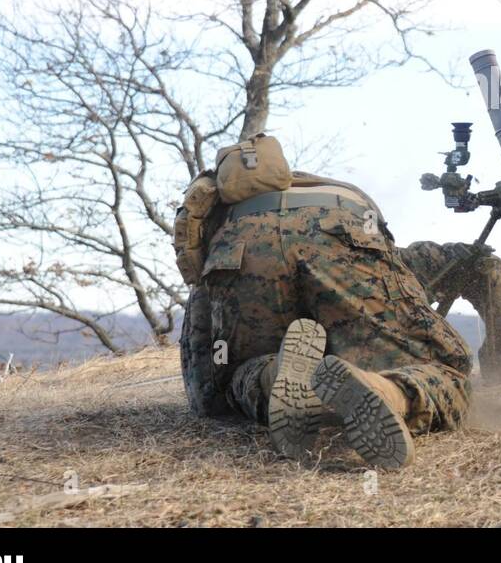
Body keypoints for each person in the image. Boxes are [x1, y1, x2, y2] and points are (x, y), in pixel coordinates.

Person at [188, 165, 473, 470]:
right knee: (447, 370)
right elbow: (489, 271)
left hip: (238, 247)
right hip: (341, 228)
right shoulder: (417, 257)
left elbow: (206, 387)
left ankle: (272, 375)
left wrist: (214, 389)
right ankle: (385, 390)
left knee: (239, 372)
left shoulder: (219, 220)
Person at [396, 240, 501, 383]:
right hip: (426, 268)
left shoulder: (495, 272)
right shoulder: (409, 264)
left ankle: (495, 377)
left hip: (486, 272)